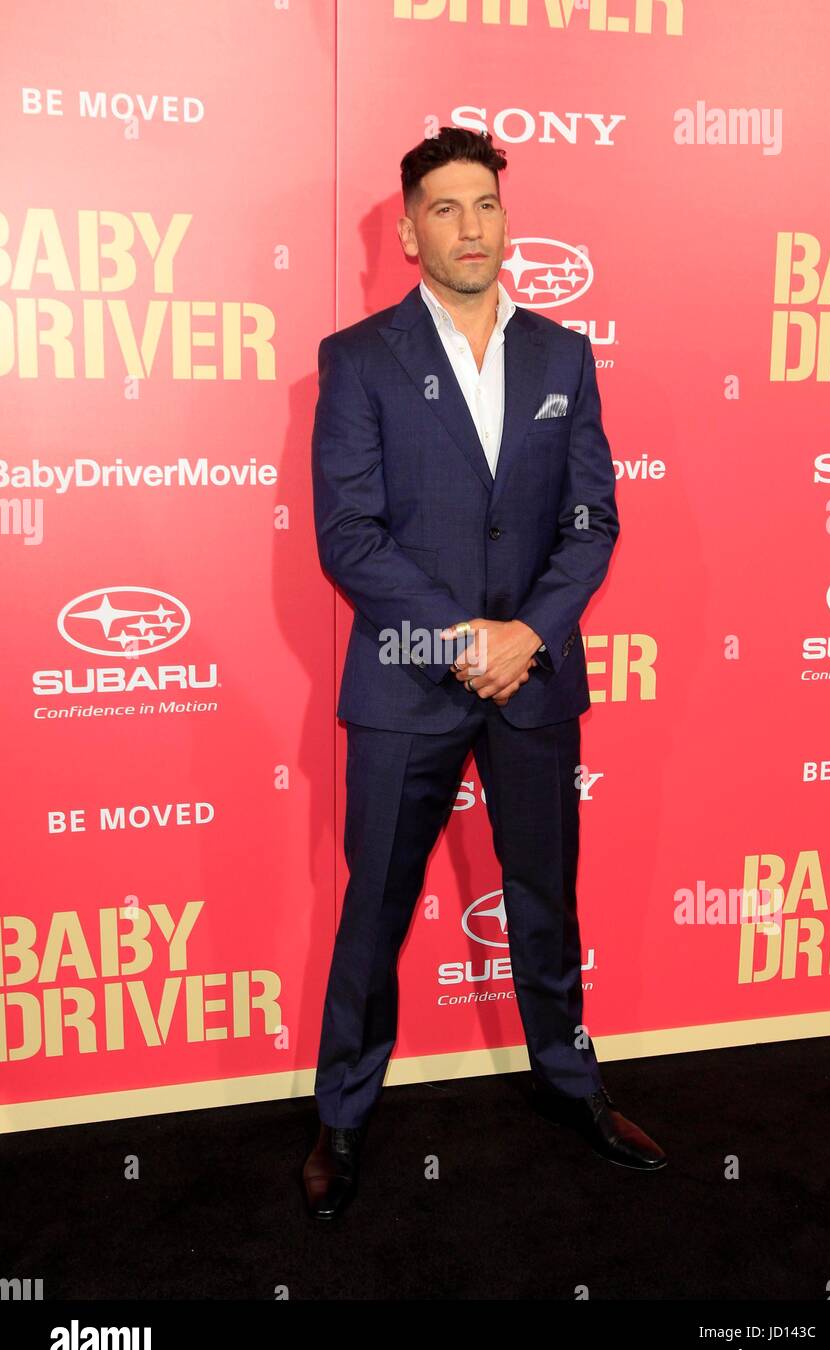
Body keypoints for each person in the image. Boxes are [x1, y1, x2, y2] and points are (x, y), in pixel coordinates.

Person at [304, 126, 666, 1221]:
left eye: (487, 206)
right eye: (446, 209)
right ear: (409, 230)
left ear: (506, 219)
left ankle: (569, 1080)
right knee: (373, 903)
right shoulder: (358, 357)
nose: (471, 227)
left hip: (534, 681)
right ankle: (343, 1114)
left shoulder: (562, 352)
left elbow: (591, 516)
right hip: (409, 678)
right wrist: (467, 638)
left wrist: (529, 633)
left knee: (544, 894)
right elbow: (349, 535)